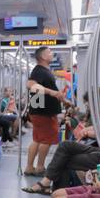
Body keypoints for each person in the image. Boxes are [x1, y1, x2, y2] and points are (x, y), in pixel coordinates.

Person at [25, 47, 65, 176]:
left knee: (37, 139)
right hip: (43, 113)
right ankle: (40, 167)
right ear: (42, 56)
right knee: (46, 140)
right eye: (49, 52)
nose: (52, 53)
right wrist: (52, 92)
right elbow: (31, 85)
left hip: (39, 110)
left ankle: (30, 168)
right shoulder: (39, 71)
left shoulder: (44, 71)